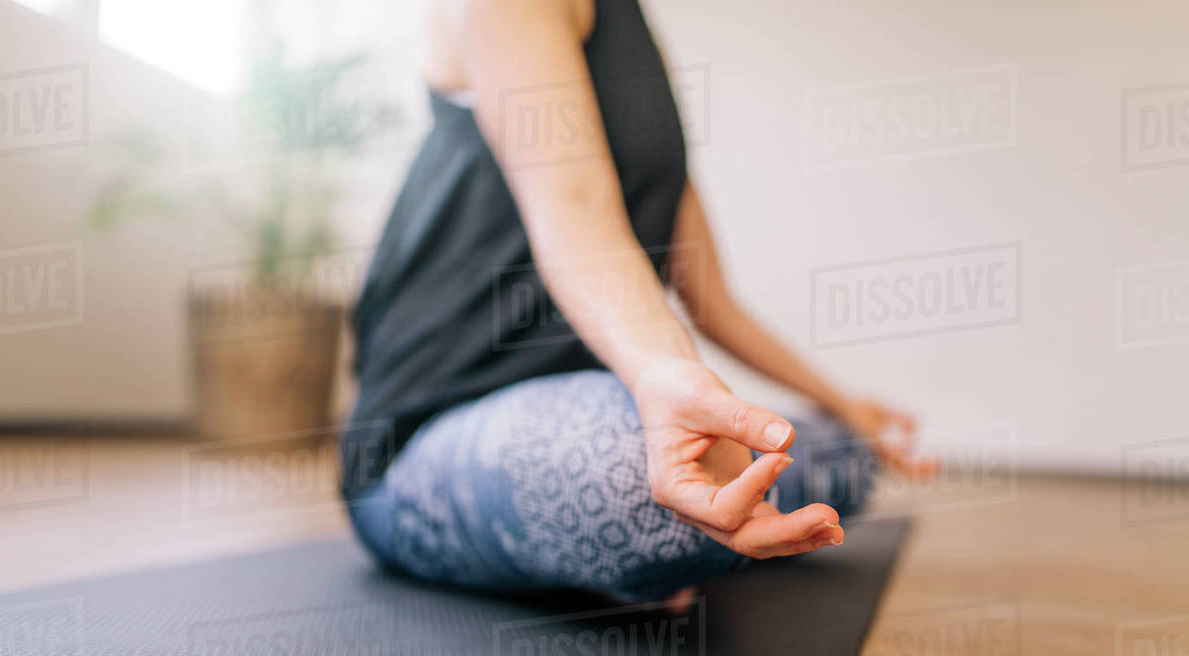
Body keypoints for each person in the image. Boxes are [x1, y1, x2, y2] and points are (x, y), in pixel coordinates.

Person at [341, 0, 931, 604]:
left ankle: (652, 551)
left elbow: (711, 299)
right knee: (642, 474)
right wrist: (668, 381)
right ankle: (654, 545)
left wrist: (840, 403)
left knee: (840, 454)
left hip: (590, 400)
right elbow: (576, 210)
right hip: (424, 441)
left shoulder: (633, 38)